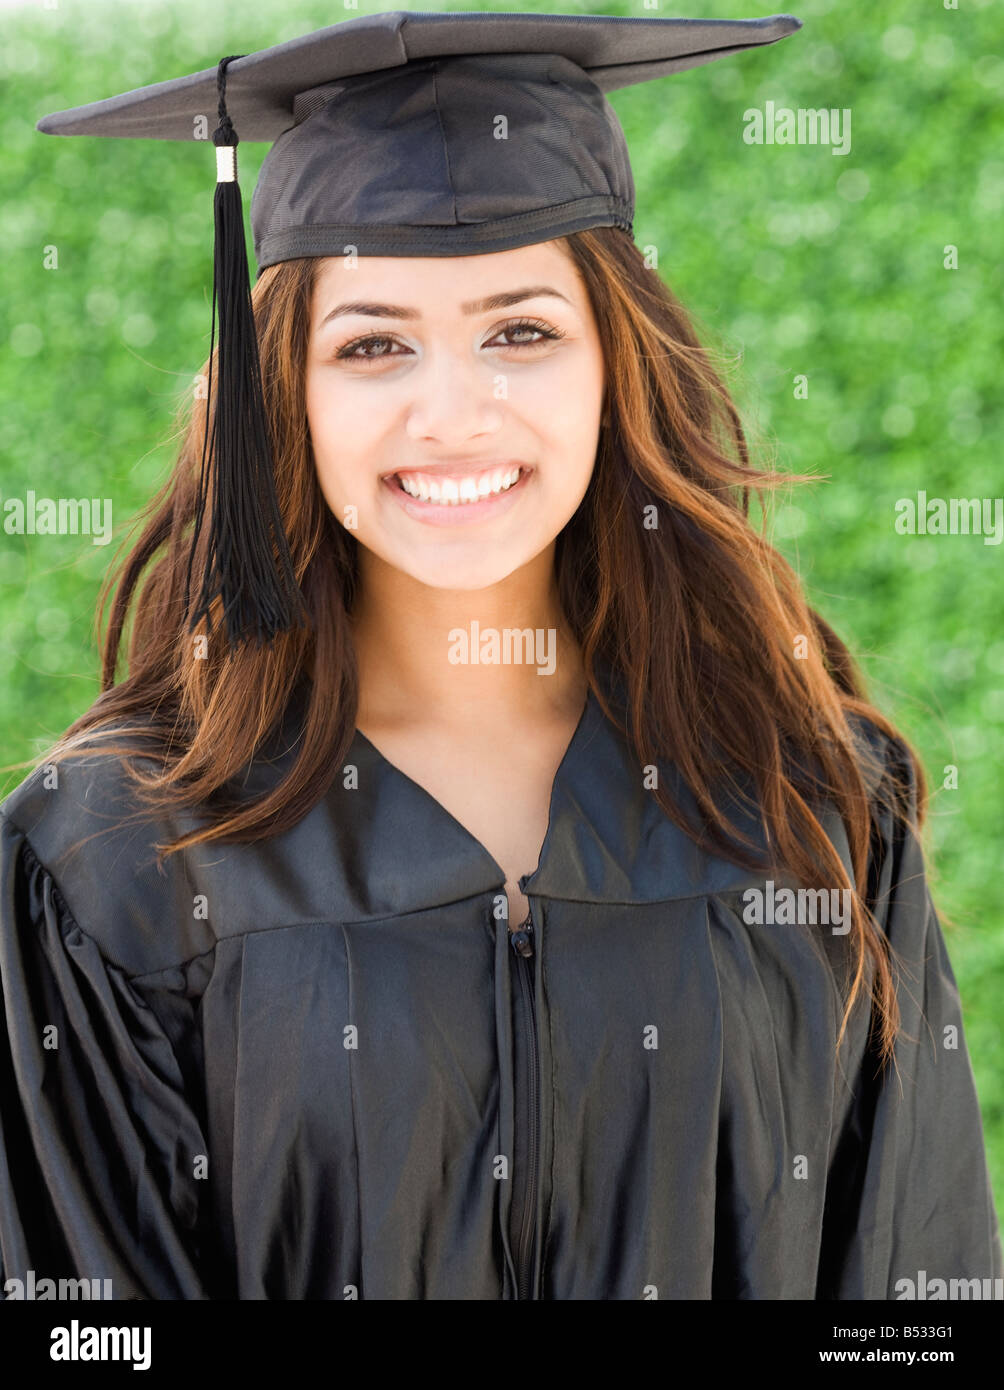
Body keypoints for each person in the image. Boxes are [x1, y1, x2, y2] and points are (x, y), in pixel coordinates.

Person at [1, 9, 999, 1301]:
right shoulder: (121, 864)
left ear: (613, 364)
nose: (453, 409)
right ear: (281, 389)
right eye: (372, 343)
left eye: (520, 329)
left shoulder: (808, 804)